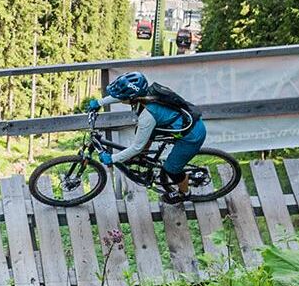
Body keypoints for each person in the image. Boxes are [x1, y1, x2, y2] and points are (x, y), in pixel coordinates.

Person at [82, 71, 206, 202]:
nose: (119, 97)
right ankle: (143, 158)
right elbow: (124, 96)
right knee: (142, 134)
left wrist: (113, 158)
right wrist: (99, 102)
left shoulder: (147, 116)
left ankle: (184, 194)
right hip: (175, 122)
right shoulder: (145, 94)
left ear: (131, 97)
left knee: (172, 169)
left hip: (192, 135)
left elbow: (136, 147)